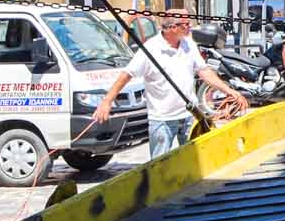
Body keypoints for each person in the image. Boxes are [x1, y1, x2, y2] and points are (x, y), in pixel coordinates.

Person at [90, 10, 249, 157]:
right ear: (172, 27)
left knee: (194, 161)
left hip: (189, 115)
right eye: (186, 25)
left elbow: (204, 71)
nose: (190, 28)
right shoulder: (151, 49)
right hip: (162, 120)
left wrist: (230, 91)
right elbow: (127, 74)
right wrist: (107, 101)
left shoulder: (188, 44)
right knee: (160, 166)